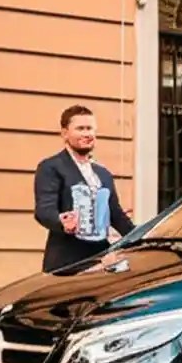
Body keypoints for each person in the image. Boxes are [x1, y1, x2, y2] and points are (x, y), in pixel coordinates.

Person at [34, 105, 136, 272]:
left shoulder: (103, 174)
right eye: (80, 128)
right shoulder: (51, 167)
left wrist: (142, 237)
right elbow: (44, 211)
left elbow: (116, 216)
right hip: (66, 265)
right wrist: (62, 221)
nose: (87, 134)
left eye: (90, 129)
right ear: (65, 133)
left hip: (102, 261)